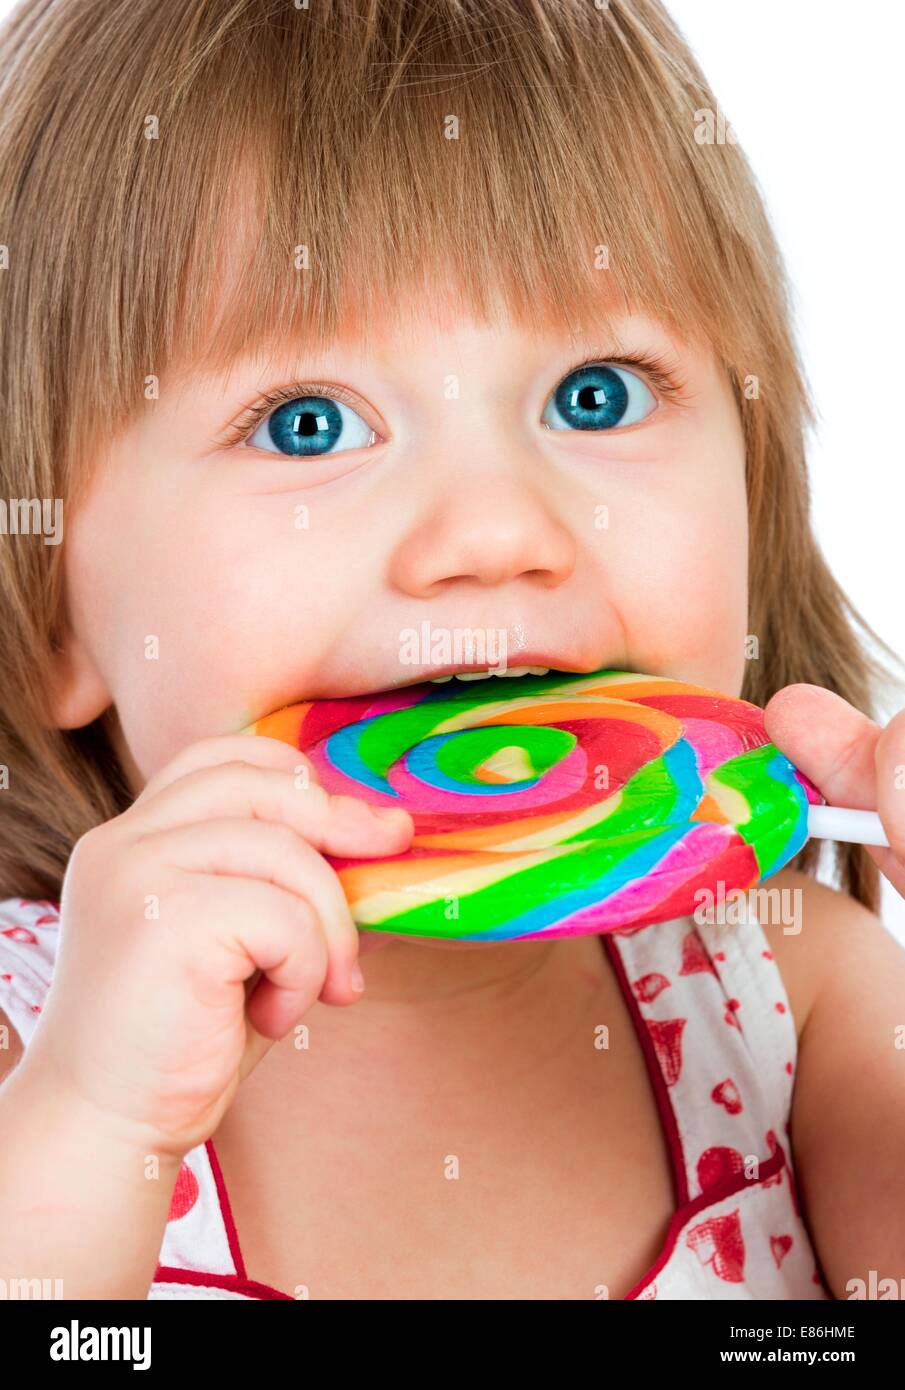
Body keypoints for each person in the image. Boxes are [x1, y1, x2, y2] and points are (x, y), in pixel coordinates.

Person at [0, 0, 903, 1300]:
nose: (494, 531)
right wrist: (97, 1121)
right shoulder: (41, 1050)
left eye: (594, 394)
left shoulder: (790, 997)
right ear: (47, 613)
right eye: (307, 424)